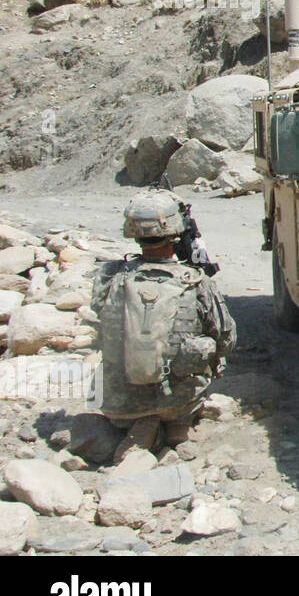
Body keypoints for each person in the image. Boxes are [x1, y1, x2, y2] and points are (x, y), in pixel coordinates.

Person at [91, 190, 236, 443]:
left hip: (116, 406)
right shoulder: (195, 282)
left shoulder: (109, 278)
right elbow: (226, 339)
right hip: (177, 405)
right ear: (176, 231)